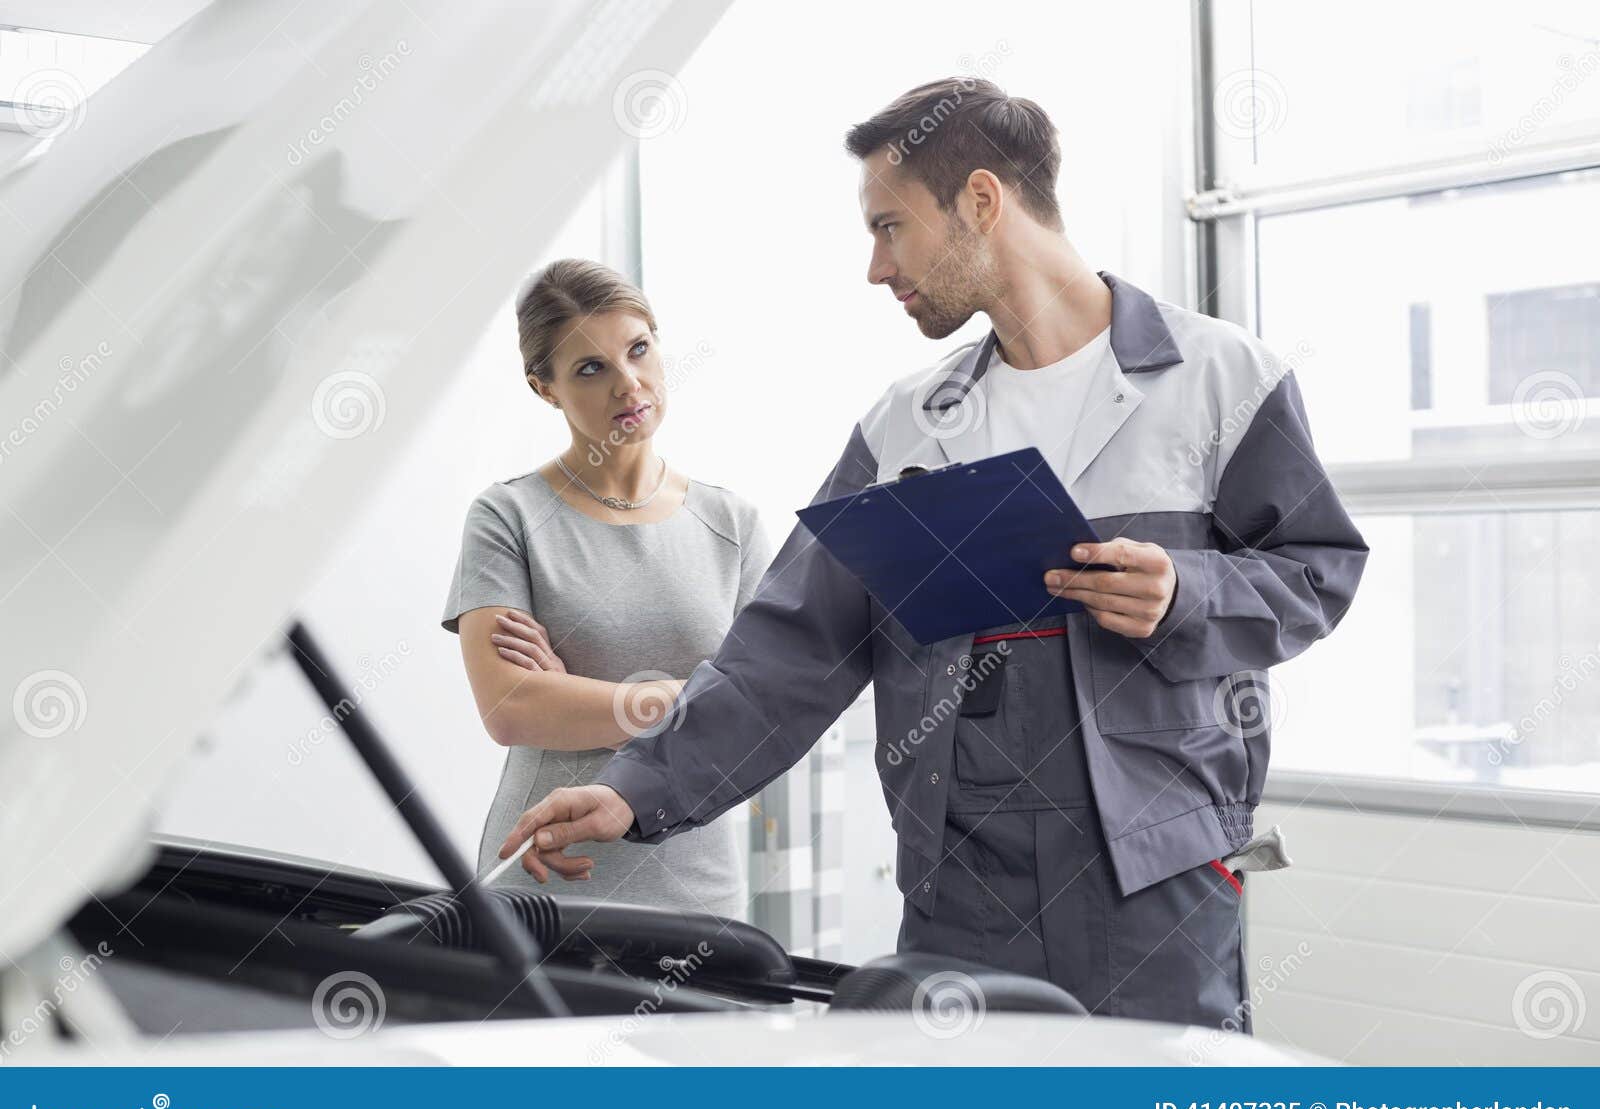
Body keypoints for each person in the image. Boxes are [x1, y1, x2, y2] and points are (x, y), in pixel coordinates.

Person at [497, 80, 1368, 1030]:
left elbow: (1316, 566)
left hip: (1153, 878)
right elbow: (786, 653)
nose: (877, 266)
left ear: (981, 202)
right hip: (963, 890)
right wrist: (633, 788)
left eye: (890, 226)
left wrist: (1188, 591)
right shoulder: (906, 428)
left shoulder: (1222, 380)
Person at [441, 258, 770, 921]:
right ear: (545, 388)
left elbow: (762, 715)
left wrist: (577, 697)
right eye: (590, 368)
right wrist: (692, 696)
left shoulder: (731, 524)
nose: (629, 383)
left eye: (639, 349)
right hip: (543, 885)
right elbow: (510, 708)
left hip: (699, 892)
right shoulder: (507, 517)